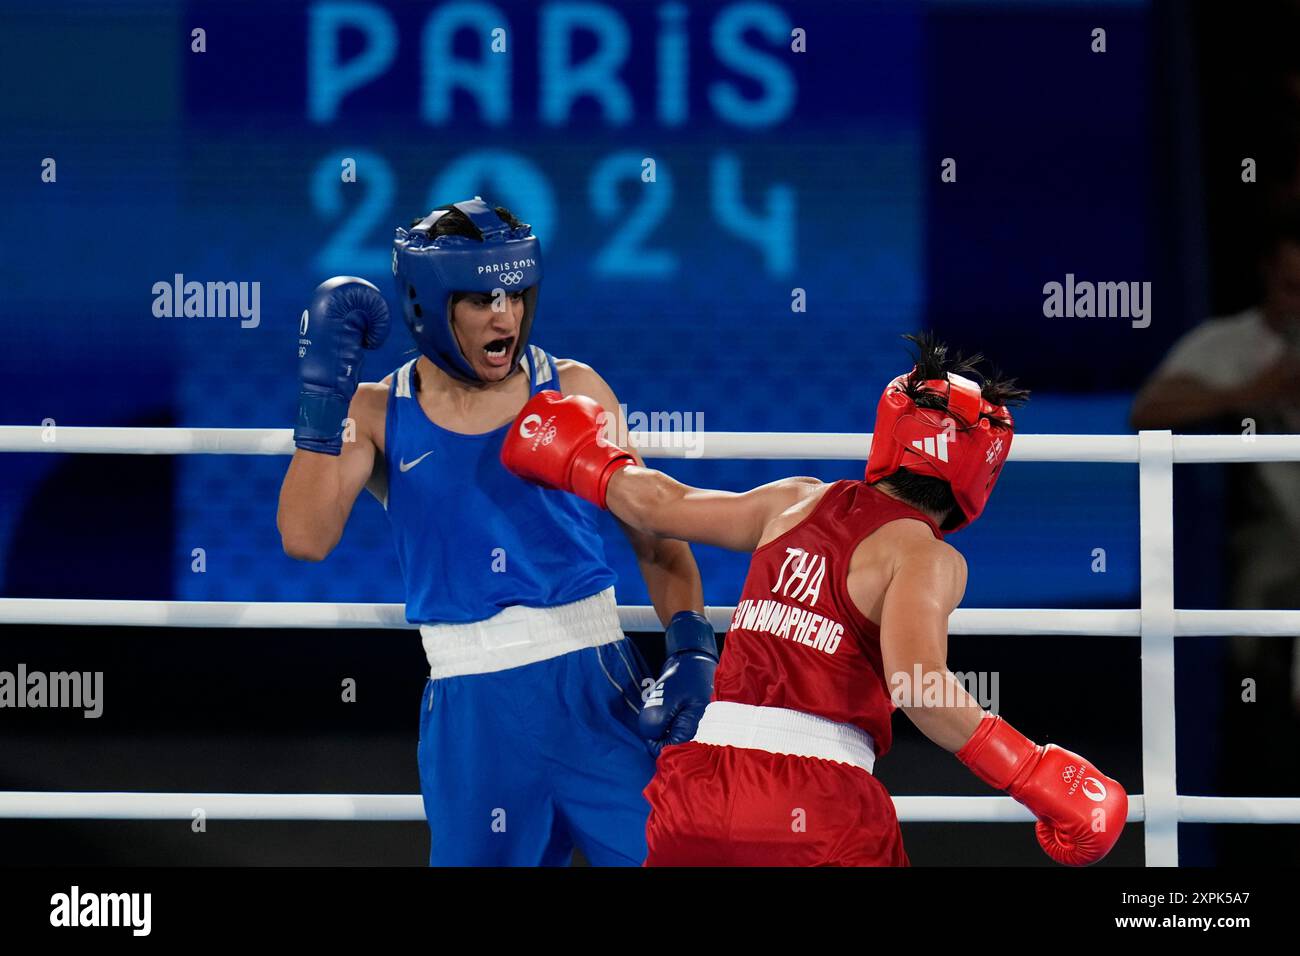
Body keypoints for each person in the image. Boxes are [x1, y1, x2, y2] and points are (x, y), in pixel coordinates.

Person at [501, 333, 1130, 866]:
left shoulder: (796, 499)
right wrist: (1030, 772)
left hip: (697, 785)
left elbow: (655, 506)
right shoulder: (927, 557)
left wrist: (580, 457)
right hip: (817, 799)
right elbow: (916, 684)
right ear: (980, 474)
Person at [277, 197, 713, 866]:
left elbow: (655, 538)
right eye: (480, 299)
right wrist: (321, 395)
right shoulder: (376, 410)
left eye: (514, 293)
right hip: (472, 708)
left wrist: (690, 648)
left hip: (596, 685)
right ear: (431, 305)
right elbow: (305, 537)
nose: (504, 315)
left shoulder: (573, 386)